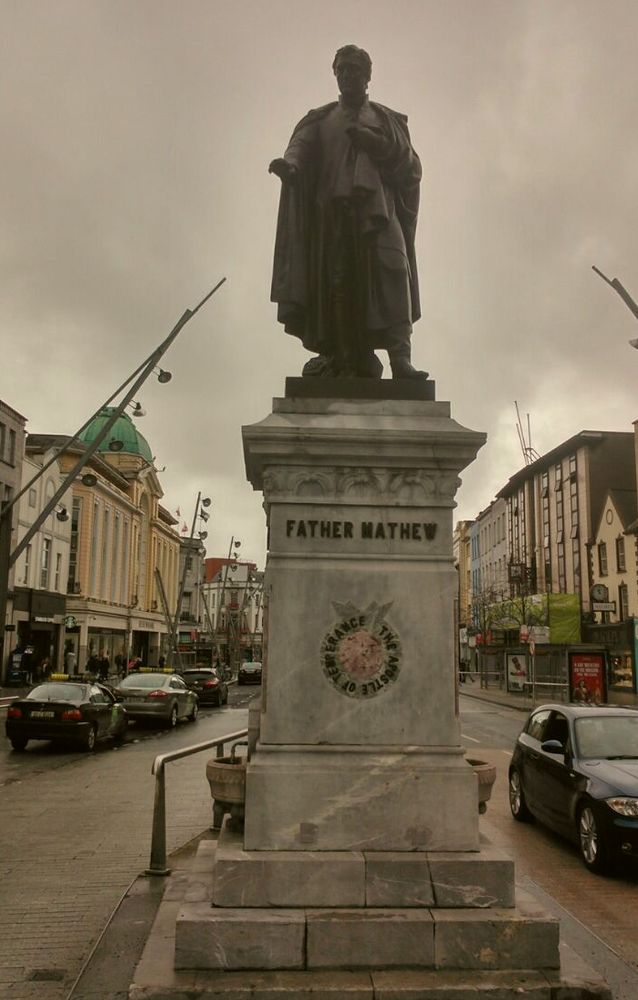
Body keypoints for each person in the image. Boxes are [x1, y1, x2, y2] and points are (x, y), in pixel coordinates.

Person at [269, 45, 426, 380]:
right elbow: (300, 149)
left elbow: (412, 168)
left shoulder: (388, 120)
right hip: (334, 217)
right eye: (342, 70)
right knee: (340, 286)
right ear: (335, 75)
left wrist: (378, 144)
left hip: (379, 210)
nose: (347, 75)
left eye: (354, 69)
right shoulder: (321, 119)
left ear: (367, 76)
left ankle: (401, 359)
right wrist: (290, 167)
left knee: (395, 271)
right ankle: (346, 358)